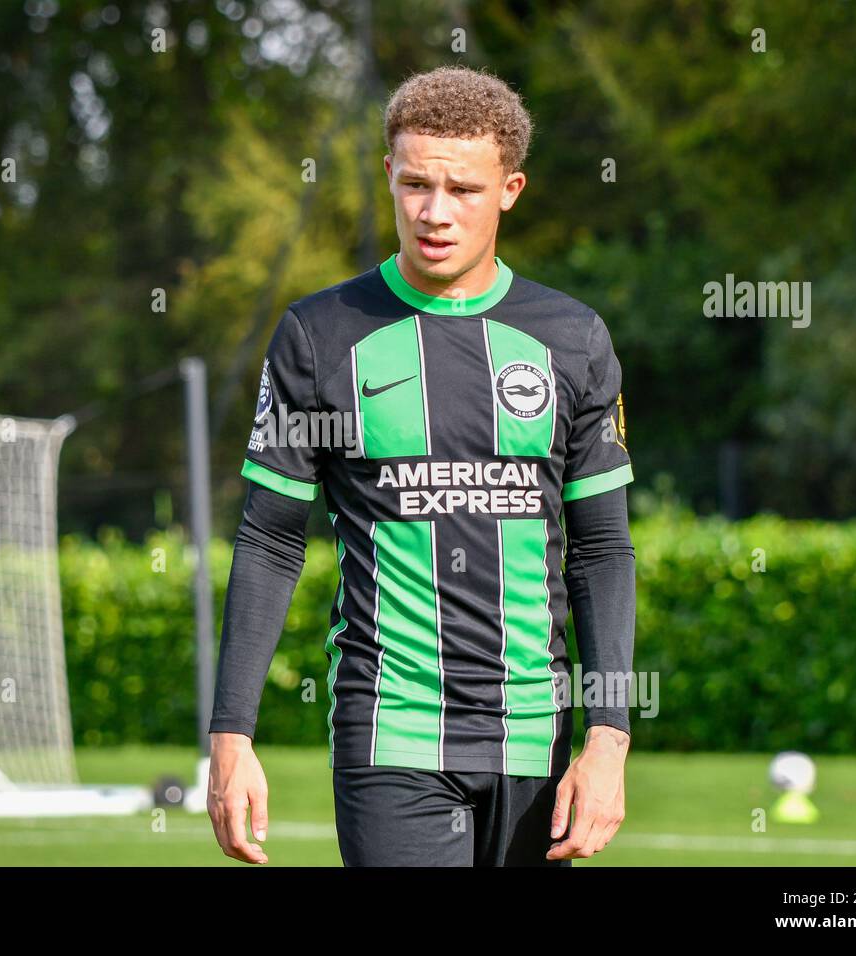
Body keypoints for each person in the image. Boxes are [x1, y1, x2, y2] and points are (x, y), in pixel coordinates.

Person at [206, 65, 636, 867]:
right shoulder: (319, 336)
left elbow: (603, 550)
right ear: (388, 176)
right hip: (390, 728)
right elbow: (270, 542)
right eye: (415, 185)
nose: (435, 213)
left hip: (534, 734)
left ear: (510, 189)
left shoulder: (572, 340)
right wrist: (232, 732)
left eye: (463, 190)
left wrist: (608, 737)